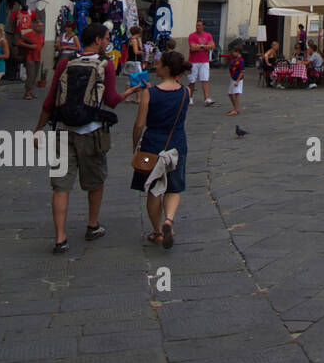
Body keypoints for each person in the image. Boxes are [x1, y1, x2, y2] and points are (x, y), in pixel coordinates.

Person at [35, 23, 142, 253]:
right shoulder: (106, 65)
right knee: (95, 181)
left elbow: (49, 101)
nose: (107, 41)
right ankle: (92, 225)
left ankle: (60, 238)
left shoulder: (65, 62)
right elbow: (112, 100)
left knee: (60, 186)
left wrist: (37, 129)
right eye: (105, 38)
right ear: (97, 40)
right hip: (91, 131)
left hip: (63, 130)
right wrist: (130, 92)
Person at [131, 49, 190, 249]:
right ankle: (169, 220)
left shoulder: (150, 93)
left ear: (166, 68)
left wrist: (134, 144)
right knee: (174, 187)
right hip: (177, 144)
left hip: (152, 146)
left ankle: (157, 232)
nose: (155, 65)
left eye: (158, 63)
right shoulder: (185, 92)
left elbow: (140, 124)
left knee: (154, 189)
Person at [187, 19, 216, 106]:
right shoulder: (192, 36)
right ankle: (190, 98)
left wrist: (200, 46)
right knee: (192, 80)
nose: (197, 27)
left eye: (199, 25)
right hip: (193, 61)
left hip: (204, 61)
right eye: (197, 25)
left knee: (205, 80)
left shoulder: (208, 35)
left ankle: (206, 98)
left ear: (203, 26)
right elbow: (192, 48)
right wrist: (205, 47)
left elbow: (212, 46)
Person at [225, 41, 244, 116]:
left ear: (238, 52)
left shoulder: (240, 61)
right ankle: (235, 108)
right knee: (230, 93)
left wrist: (237, 81)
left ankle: (235, 110)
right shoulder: (234, 59)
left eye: (234, 52)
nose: (232, 53)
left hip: (237, 79)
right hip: (233, 78)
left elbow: (242, 71)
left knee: (236, 94)